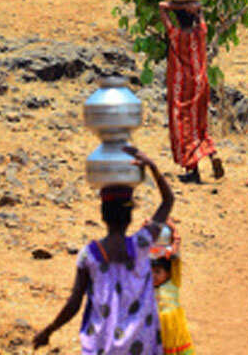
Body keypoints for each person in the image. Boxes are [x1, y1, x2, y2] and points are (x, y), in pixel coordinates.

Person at [33, 148, 174, 354]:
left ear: (102, 215)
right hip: (140, 344)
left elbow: (74, 303)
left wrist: (48, 330)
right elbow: (168, 201)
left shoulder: (89, 255)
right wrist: (152, 166)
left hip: (102, 346)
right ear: (129, 217)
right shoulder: (142, 244)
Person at [159, 1, 224, 184]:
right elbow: (201, 14)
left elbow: (161, 8)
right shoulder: (201, 33)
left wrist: (175, 6)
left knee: (183, 126)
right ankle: (211, 152)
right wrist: (194, 9)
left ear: (178, 19)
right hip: (200, 84)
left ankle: (193, 171)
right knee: (200, 123)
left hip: (182, 87)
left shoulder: (175, 35)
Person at [150, 221, 194, 355]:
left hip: (173, 330)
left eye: (158, 272)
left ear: (168, 273)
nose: (153, 276)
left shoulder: (173, 281)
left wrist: (175, 235)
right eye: (151, 271)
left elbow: (174, 256)